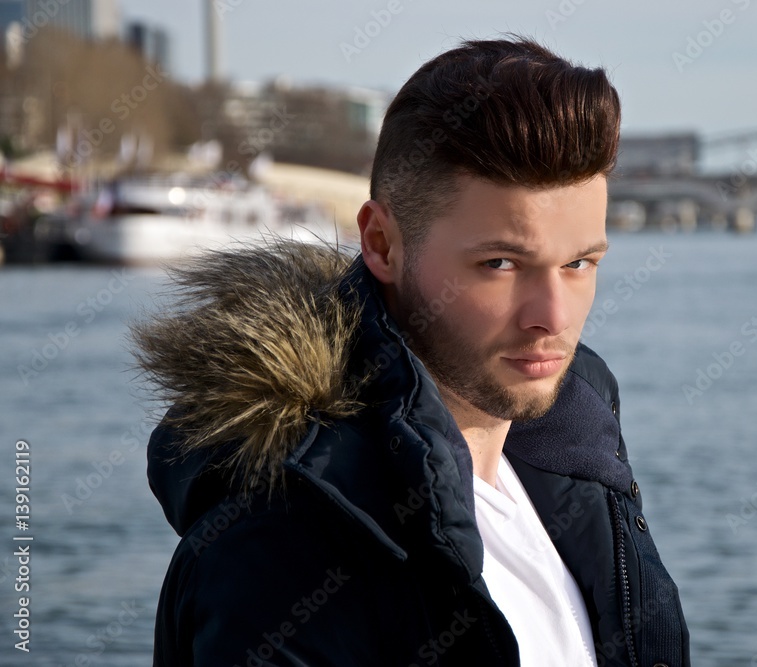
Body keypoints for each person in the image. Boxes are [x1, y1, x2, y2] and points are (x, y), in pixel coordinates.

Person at [136, 36, 690, 667]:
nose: (553, 318)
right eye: (501, 263)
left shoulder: (581, 460)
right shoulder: (280, 546)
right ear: (382, 243)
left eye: (578, 262)